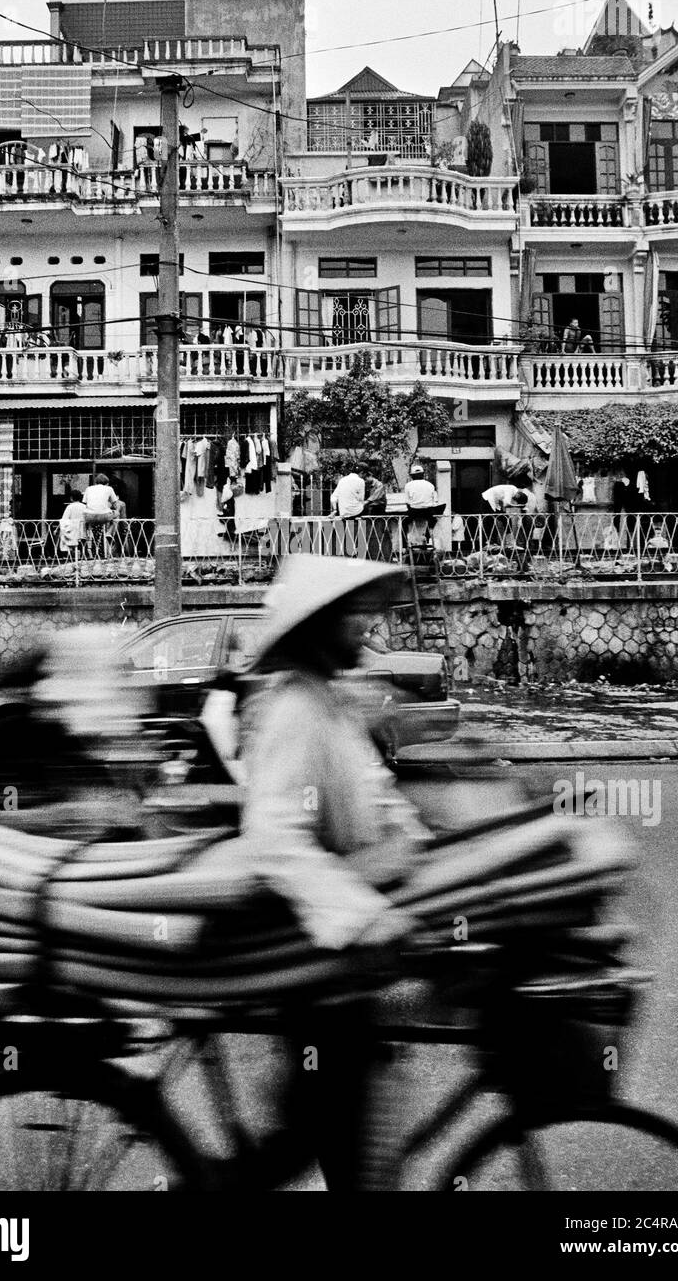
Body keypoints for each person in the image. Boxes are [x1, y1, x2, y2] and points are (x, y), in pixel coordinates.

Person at [241, 554, 427, 1190]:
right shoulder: (293, 709)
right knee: (322, 1148)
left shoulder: (329, 703)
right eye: (352, 618)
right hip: (314, 972)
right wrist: (359, 915)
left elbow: (379, 802)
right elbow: (273, 835)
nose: (364, 632)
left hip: (343, 975)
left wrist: (422, 845)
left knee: (319, 1147)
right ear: (316, 628)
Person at [329, 464, 366, 556]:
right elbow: (361, 498)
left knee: (348, 538)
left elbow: (333, 497)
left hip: (344, 514)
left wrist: (334, 510)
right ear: (362, 473)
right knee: (358, 538)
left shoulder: (342, 480)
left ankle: (349, 554)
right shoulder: (360, 481)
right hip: (356, 512)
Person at [403, 463, 440, 550]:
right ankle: (427, 535)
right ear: (423, 475)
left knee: (404, 523)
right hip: (428, 511)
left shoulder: (408, 485)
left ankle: (404, 544)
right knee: (433, 519)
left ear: (412, 476)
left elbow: (407, 501)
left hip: (414, 510)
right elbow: (434, 500)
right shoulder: (430, 485)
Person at [83, 473, 119, 558]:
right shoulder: (109, 488)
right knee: (117, 513)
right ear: (107, 482)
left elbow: (84, 502)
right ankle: (110, 532)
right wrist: (114, 510)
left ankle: (83, 535)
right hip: (104, 516)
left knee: (83, 518)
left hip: (90, 516)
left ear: (96, 482)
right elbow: (115, 503)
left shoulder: (88, 488)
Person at [58, 490, 87, 561]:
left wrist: (57, 529)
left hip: (72, 531)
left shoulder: (70, 507)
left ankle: (66, 556)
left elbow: (64, 520)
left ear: (71, 498)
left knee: (66, 540)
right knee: (82, 545)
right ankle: (84, 556)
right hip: (82, 530)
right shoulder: (84, 507)